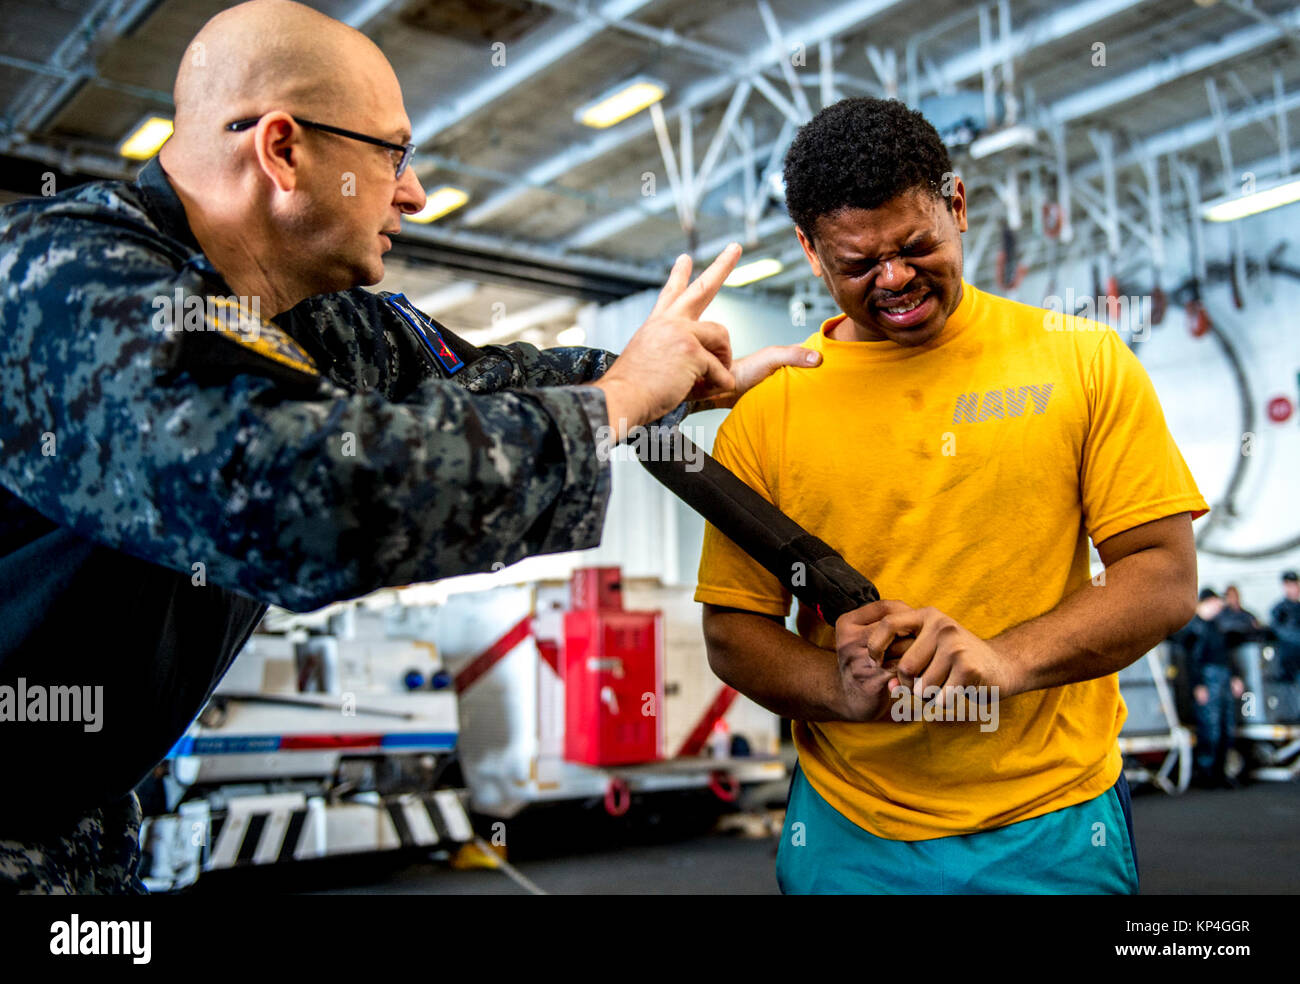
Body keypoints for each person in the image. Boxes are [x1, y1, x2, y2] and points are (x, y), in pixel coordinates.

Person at [0, 0, 818, 893]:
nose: (415, 192)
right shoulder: (69, 281)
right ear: (282, 149)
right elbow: (296, 498)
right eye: (392, 155)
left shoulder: (310, 322)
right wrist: (614, 402)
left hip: (81, 821)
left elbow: (478, 380)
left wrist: (660, 377)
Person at [695, 98, 1208, 895]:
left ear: (958, 205)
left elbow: (1164, 576)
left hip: (1058, 819)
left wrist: (1006, 661)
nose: (894, 280)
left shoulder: (1083, 361)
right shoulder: (768, 410)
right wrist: (838, 686)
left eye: (914, 247)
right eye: (857, 264)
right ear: (808, 249)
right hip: (849, 830)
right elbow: (733, 630)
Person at [1172, 589, 1245, 788]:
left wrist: (1235, 676)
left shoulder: (1217, 626)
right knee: (1209, 728)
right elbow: (1191, 661)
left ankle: (1222, 773)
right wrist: (1198, 685)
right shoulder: (1194, 628)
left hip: (1222, 677)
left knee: (1226, 727)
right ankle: (1207, 774)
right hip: (1207, 678)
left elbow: (1227, 655)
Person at [1270, 571, 1300, 681]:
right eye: (1289, 585)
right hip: (1288, 664)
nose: (1293, 588)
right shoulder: (1279, 610)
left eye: (1294, 585)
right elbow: (1279, 631)